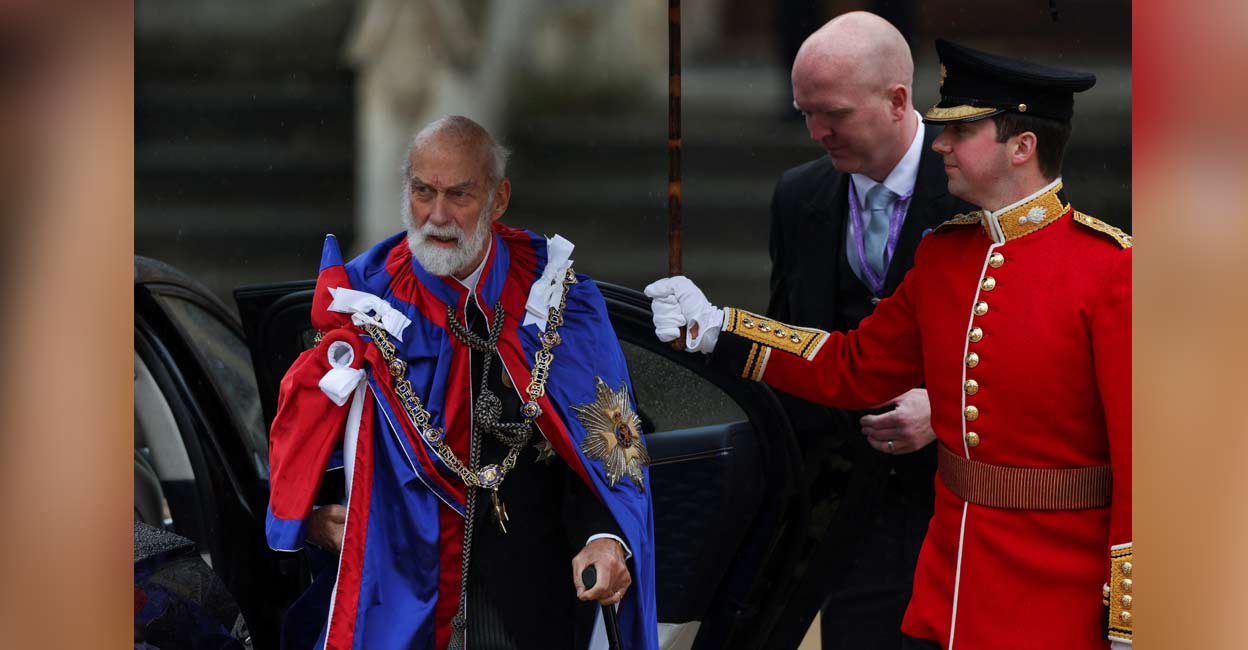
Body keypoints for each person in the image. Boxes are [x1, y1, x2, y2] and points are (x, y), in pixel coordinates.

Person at [647, 40, 1131, 650]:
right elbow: (852, 366)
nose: (939, 144)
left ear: (1022, 145)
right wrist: (719, 326)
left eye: (962, 131)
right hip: (948, 583)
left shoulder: (1113, 270)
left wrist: (1131, 616)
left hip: (1060, 591)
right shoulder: (945, 255)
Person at [265, 116, 658, 650]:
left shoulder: (558, 298)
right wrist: (313, 516)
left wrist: (605, 538)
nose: (437, 216)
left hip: (527, 597)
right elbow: (315, 440)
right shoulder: (361, 299)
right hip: (394, 599)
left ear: (499, 200)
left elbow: (605, 447)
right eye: (423, 192)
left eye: (459, 195)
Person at [770, 13, 973, 649]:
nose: (816, 132)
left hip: (961, 501)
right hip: (846, 504)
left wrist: (942, 406)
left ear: (897, 101)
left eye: (831, 112)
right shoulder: (798, 196)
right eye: (804, 111)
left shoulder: (978, 186)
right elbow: (790, 339)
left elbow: (1033, 345)